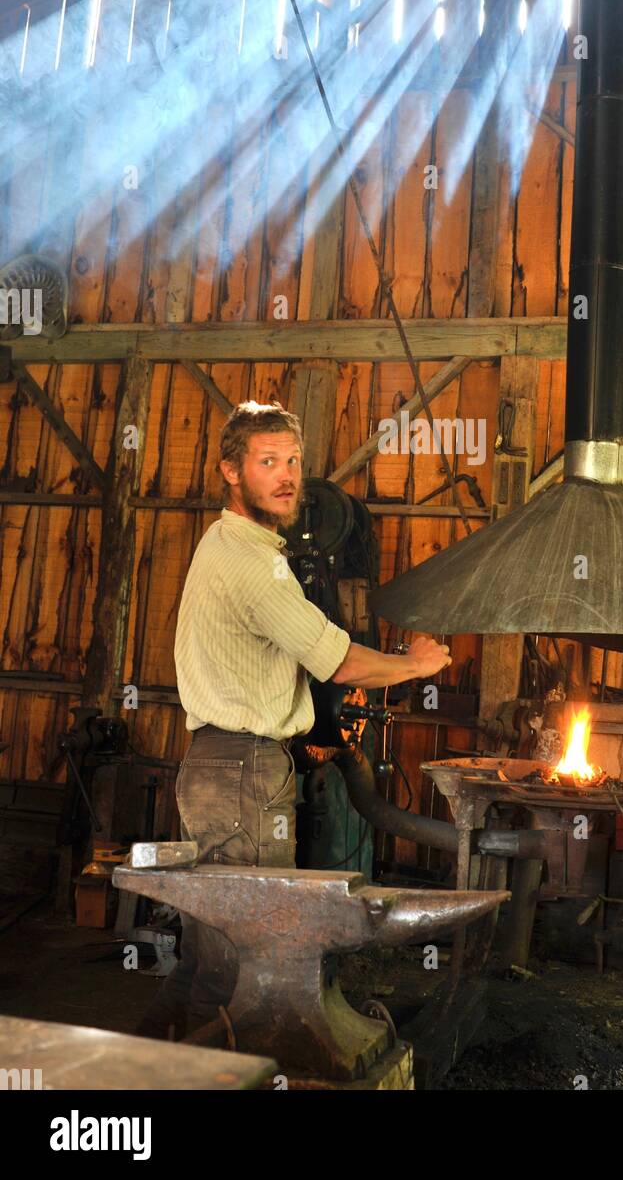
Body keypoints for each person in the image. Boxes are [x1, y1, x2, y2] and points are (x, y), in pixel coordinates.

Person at [136, 401, 450, 1040]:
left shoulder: (226, 542)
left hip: (220, 768)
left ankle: (147, 1075)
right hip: (246, 772)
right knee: (243, 959)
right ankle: (212, 1077)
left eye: (293, 463)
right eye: (267, 462)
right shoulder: (255, 567)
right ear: (231, 470)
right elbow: (340, 663)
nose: (286, 477)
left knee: (211, 952)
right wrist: (414, 664)